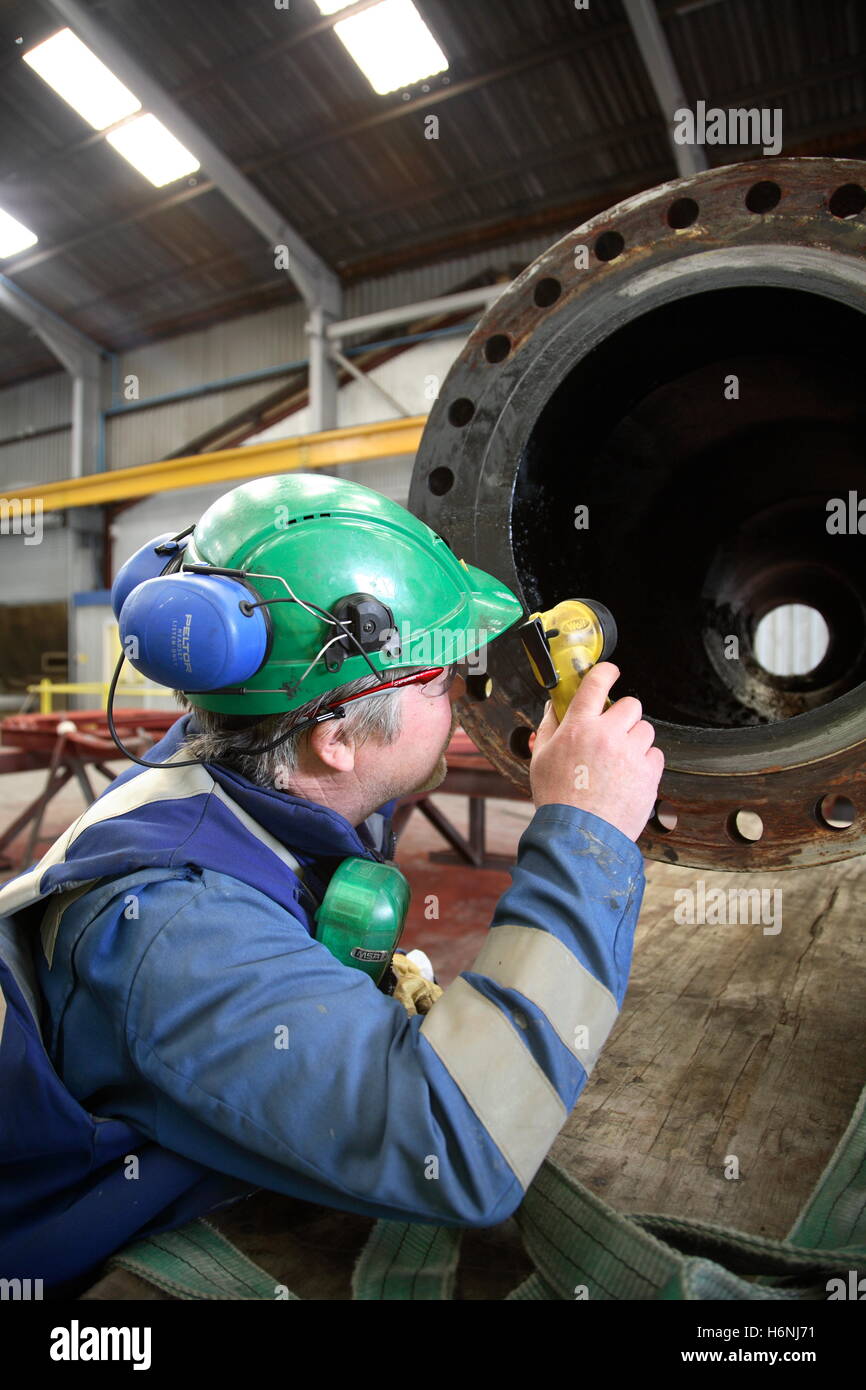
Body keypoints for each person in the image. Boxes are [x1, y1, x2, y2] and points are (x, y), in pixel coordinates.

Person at [0, 472, 663, 1296]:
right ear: (340, 741)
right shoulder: (178, 933)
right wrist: (584, 836)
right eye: (440, 676)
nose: (463, 687)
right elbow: (463, 1149)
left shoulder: (247, 759)